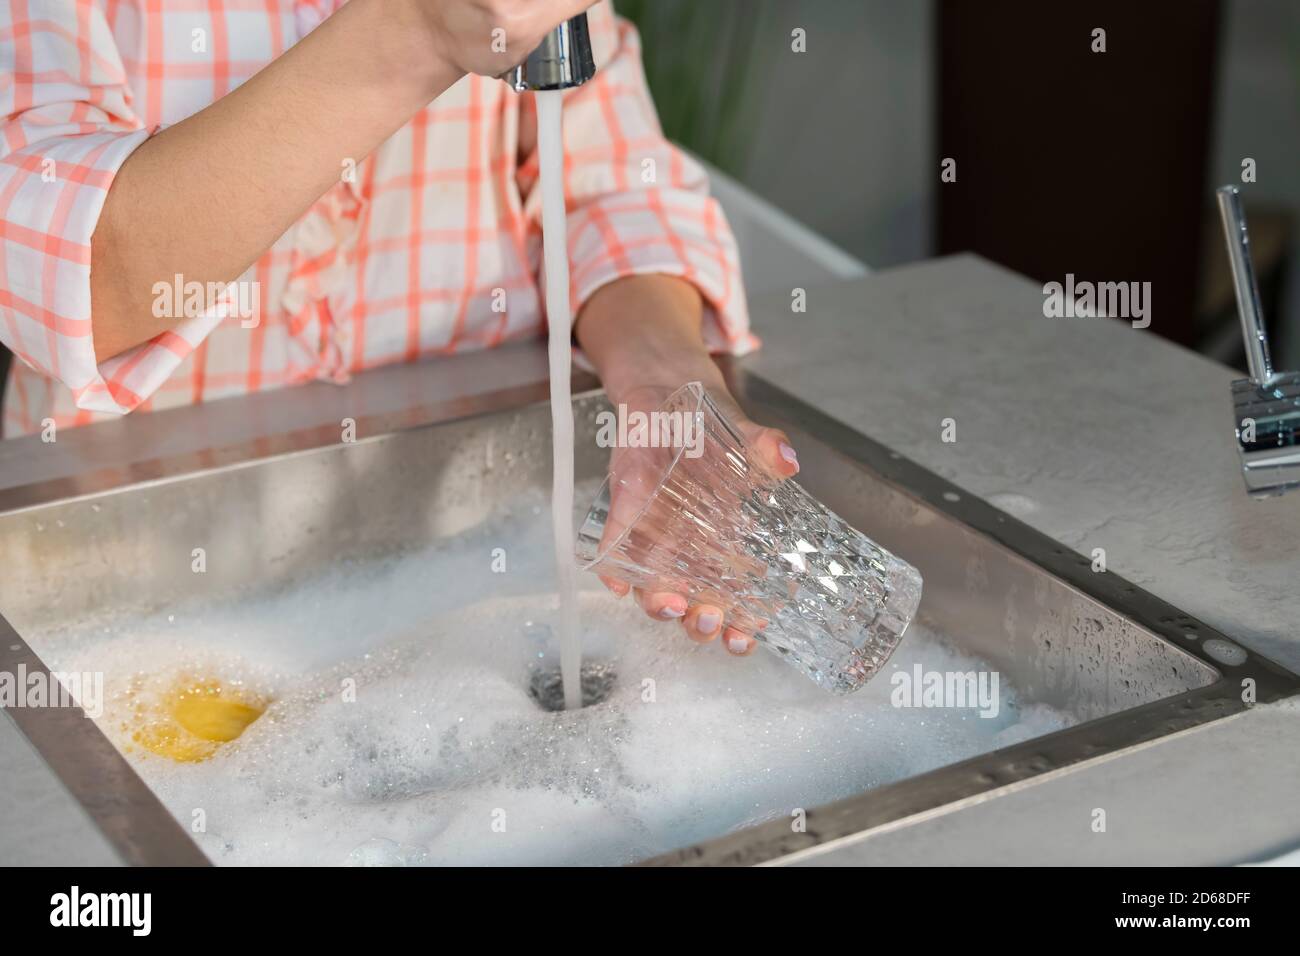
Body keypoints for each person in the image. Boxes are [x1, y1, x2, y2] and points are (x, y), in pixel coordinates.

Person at [0, 0, 801, 655]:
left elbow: (609, 188)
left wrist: (665, 385)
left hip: (474, 521)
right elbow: (73, 275)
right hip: (134, 572)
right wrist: (419, 25)